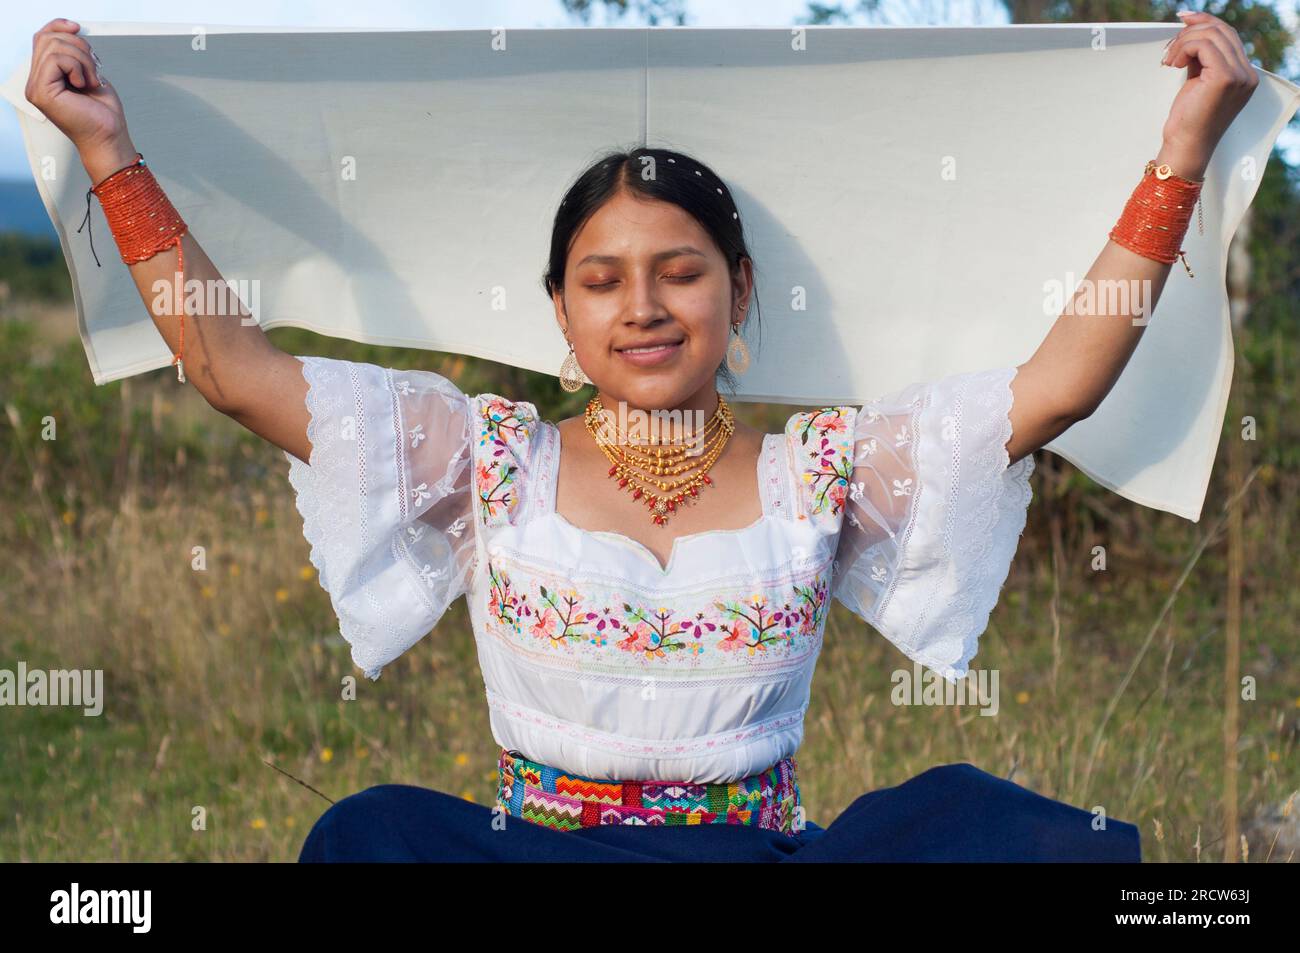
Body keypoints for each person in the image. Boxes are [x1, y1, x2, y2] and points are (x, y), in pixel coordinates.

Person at [25, 13, 1257, 862]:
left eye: (680, 272)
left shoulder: (814, 471)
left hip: (754, 853)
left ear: (736, 291)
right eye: (604, 279)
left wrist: (1182, 154)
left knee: (991, 832)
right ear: (561, 310)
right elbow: (237, 372)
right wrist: (109, 153)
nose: (645, 306)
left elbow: (1054, 387)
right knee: (370, 836)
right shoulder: (487, 457)